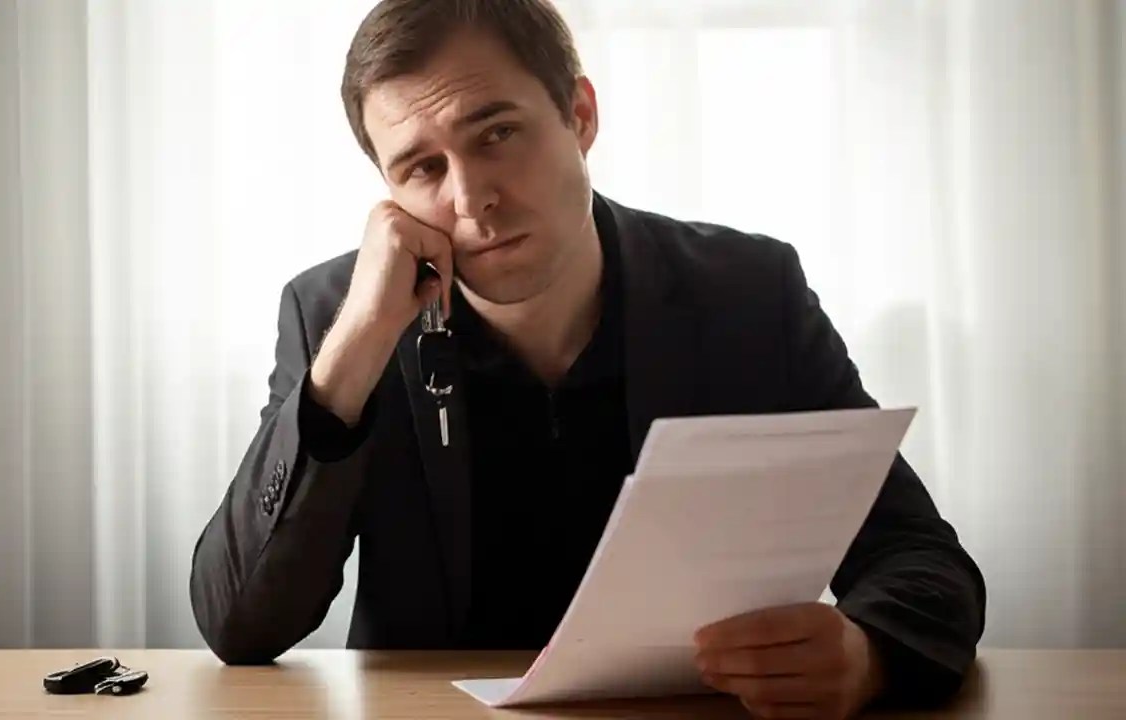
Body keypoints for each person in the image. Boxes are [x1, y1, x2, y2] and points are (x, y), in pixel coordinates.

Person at [189, 1, 986, 717]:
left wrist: (868, 656)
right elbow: (240, 625)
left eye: (497, 134)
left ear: (579, 115)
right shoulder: (335, 317)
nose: (470, 199)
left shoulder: (748, 292)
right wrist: (357, 347)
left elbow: (919, 557)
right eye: (422, 168)